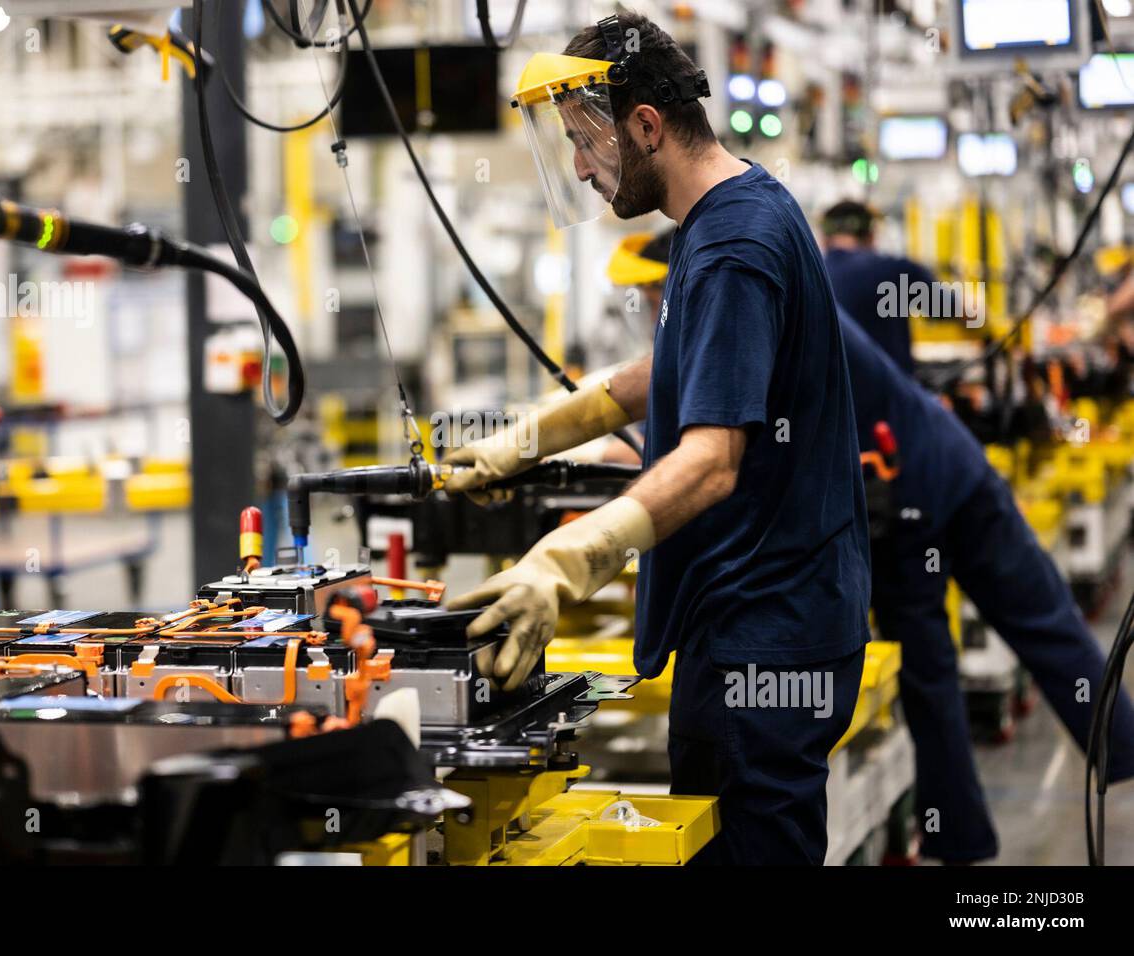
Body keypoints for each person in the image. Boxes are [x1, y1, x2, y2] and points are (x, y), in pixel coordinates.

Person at [443, 12, 871, 865]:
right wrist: (526, 439)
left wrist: (564, 565)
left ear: (644, 125)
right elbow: (675, 365)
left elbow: (712, 461)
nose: (578, 166)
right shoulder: (730, 214)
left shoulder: (733, 245)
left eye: (584, 140)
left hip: (765, 639)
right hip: (759, 618)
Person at [619, 230, 1134, 863]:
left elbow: (703, 428)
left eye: (647, 295)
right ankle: (1115, 753)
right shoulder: (807, 275)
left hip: (898, 495)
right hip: (928, 476)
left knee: (929, 677)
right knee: (1039, 620)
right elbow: (967, 315)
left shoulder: (750, 291)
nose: (646, 309)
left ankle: (960, 838)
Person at [820, 200, 938, 374]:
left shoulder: (809, 277)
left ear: (824, 238)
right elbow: (950, 310)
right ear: (871, 235)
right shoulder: (897, 271)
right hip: (891, 395)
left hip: (830, 395)